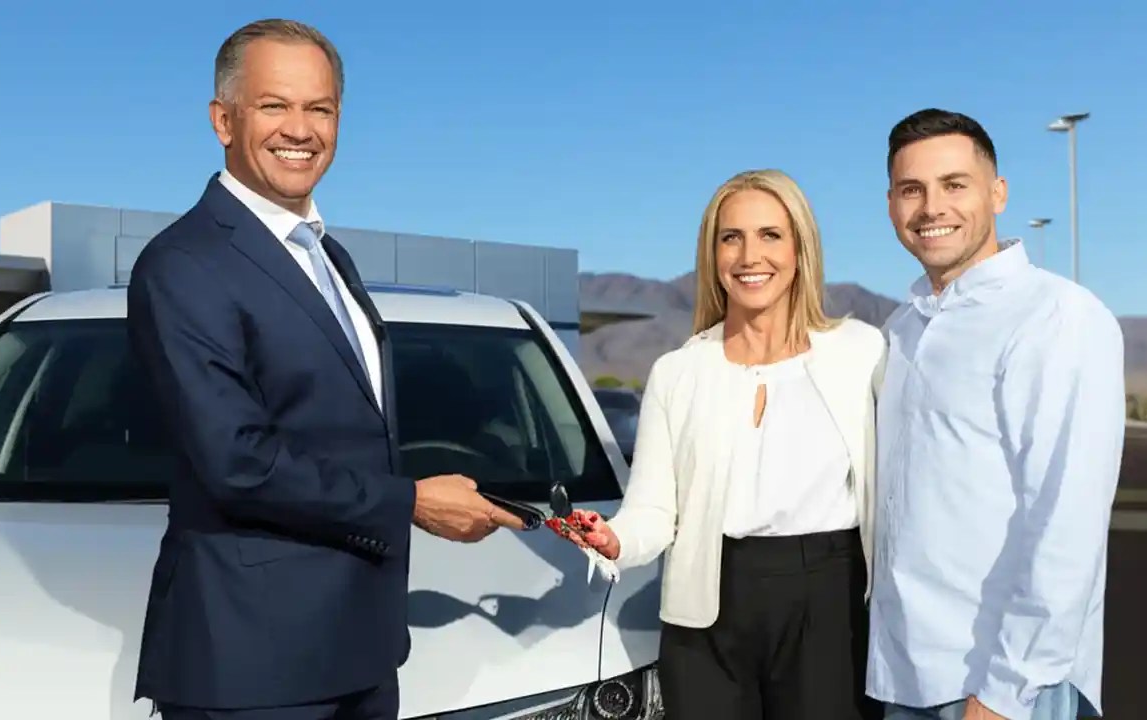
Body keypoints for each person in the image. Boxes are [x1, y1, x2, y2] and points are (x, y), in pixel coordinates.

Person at [125, 18, 523, 720]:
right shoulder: (184, 264)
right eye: (274, 106)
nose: (300, 129)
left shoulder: (327, 258)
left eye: (321, 108)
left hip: (361, 653)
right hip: (254, 669)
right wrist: (412, 503)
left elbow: (342, 428)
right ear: (223, 119)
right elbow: (235, 460)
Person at [557, 169, 886, 719]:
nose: (749, 255)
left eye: (770, 235)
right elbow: (655, 510)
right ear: (711, 255)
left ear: (801, 249)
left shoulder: (862, 352)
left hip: (832, 601)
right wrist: (614, 540)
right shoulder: (678, 372)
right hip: (706, 611)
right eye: (730, 237)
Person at [865, 108, 1125, 720]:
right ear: (891, 205)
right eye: (912, 190)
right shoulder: (901, 330)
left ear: (998, 193)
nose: (932, 207)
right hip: (905, 677)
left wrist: (1010, 690)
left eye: (954, 185)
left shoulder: (1056, 316)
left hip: (1006, 686)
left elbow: (1067, 519)